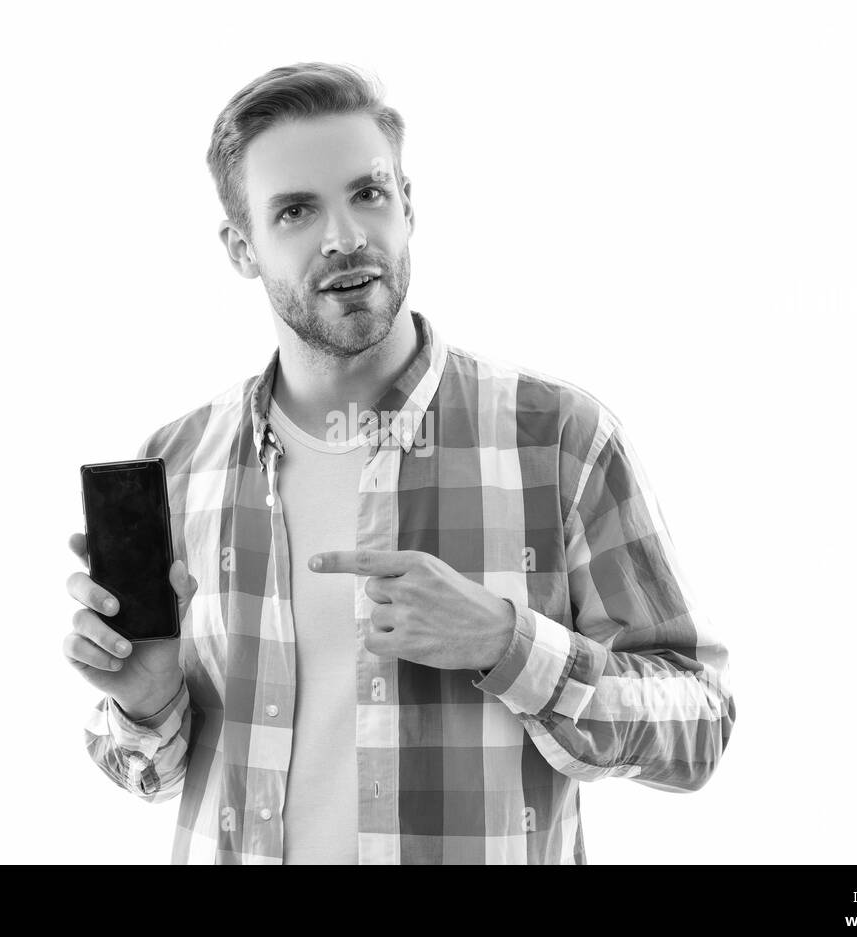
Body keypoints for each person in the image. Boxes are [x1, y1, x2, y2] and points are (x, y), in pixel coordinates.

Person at [65, 62, 736, 865]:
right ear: (242, 248)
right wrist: (145, 706)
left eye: (368, 194)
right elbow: (143, 775)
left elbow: (699, 726)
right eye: (296, 211)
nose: (343, 235)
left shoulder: (559, 439)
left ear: (408, 204)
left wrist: (506, 644)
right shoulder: (178, 463)